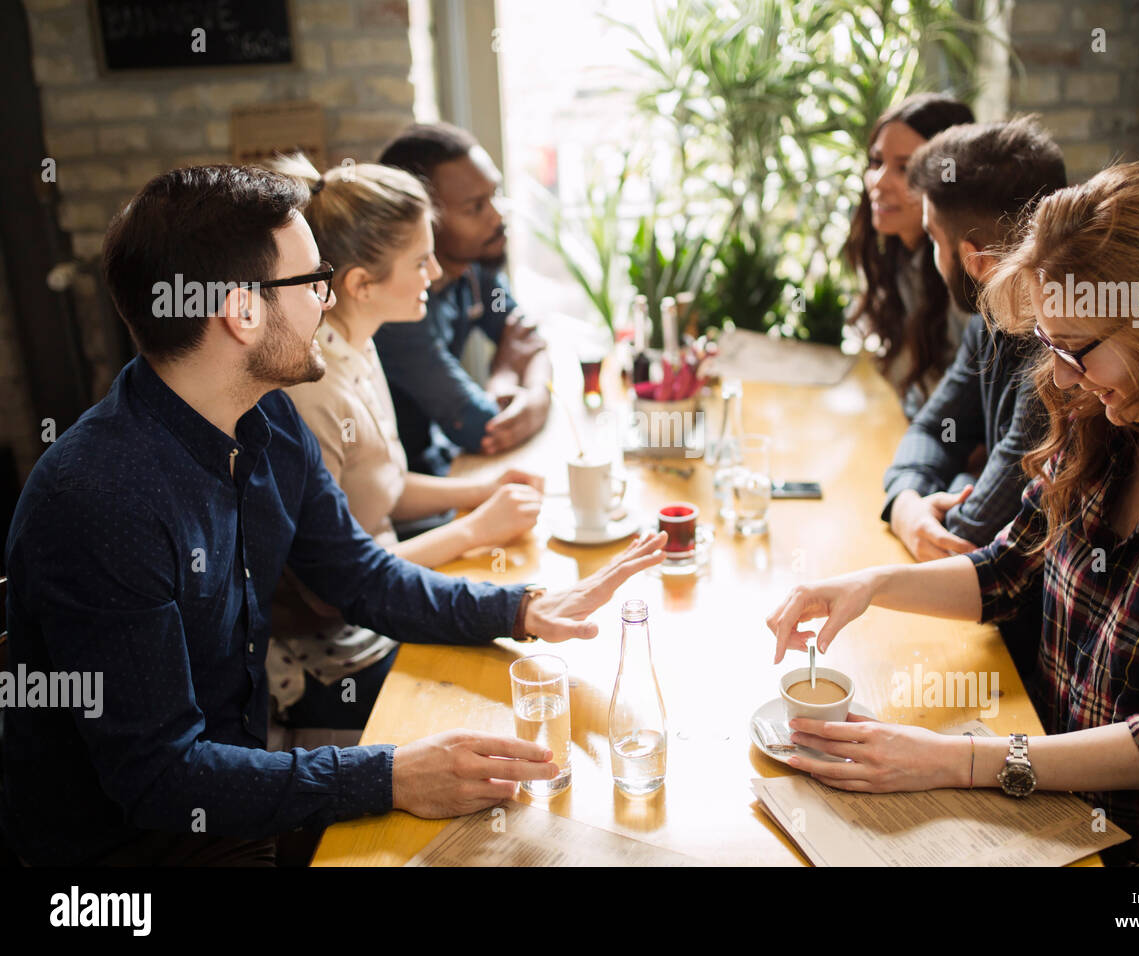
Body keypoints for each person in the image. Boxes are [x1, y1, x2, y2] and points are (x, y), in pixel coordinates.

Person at [1, 164, 666, 866]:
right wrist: (391, 774)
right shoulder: (101, 502)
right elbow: (161, 779)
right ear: (241, 311)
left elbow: (359, 574)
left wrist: (523, 609)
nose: (326, 301)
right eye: (312, 282)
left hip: (241, 808)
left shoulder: (268, 421)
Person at [767, 163, 1139, 865]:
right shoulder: (1101, 412)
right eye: (1049, 345)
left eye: (1077, 348)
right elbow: (1011, 571)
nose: (1063, 374)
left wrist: (959, 761)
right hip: (1061, 816)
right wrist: (871, 585)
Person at [261, 152, 547, 731]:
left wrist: (478, 490)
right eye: (420, 261)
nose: (437, 274)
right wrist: (475, 528)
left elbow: (382, 489)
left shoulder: (359, 346)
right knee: (506, 693)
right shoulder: (313, 393)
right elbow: (337, 588)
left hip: (381, 604)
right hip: (333, 653)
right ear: (362, 285)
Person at [880, 117, 1064, 681]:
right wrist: (909, 507)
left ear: (973, 257)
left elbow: (973, 535)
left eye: (934, 240)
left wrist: (927, 504)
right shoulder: (990, 321)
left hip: (1028, 661)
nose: (932, 260)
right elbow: (932, 431)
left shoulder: (1063, 356)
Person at [374, 122, 552, 485]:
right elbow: (483, 429)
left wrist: (534, 395)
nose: (497, 217)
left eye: (495, 195)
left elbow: (527, 338)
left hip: (449, 467)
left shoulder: (477, 272)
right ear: (423, 221)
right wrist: (504, 370)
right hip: (412, 496)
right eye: (475, 207)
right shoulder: (398, 311)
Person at [846, 93, 975, 420]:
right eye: (876, 162)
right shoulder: (896, 254)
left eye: (906, 168)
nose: (879, 183)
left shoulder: (968, 280)